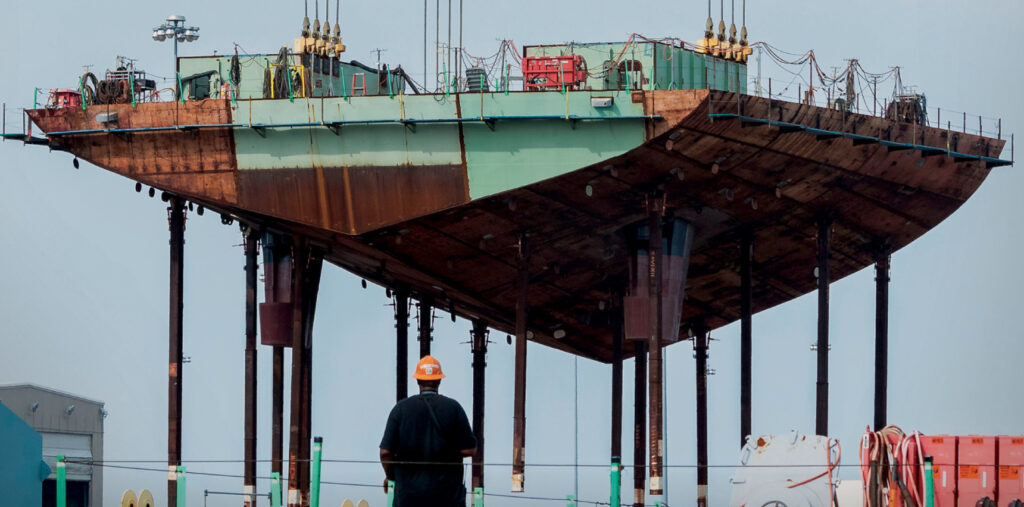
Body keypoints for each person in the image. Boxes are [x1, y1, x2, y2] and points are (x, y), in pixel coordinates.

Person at [380, 355, 476, 506]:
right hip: (447, 498)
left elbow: (385, 452)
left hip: (408, 499)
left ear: (418, 380)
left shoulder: (400, 409)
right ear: (439, 380)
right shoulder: (454, 408)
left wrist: (390, 476)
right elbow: (470, 450)